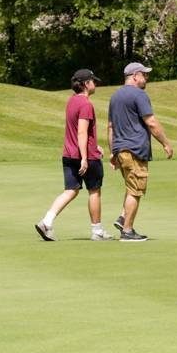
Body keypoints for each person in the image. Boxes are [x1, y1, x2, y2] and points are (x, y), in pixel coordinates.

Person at [34, 69, 113, 242]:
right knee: (94, 190)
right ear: (86, 84)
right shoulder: (86, 104)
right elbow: (82, 132)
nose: (95, 84)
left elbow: (79, 131)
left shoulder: (71, 101)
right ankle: (97, 231)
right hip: (85, 157)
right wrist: (85, 157)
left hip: (69, 154)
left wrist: (95, 145)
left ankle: (47, 222)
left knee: (70, 190)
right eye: (93, 81)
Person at [108, 62, 173, 241]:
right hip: (135, 150)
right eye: (144, 75)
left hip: (121, 150)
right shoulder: (139, 94)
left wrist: (113, 151)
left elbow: (111, 127)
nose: (146, 78)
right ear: (135, 75)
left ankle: (123, 219)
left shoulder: (115, 96)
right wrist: (166, 143)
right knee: (136, 190)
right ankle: (127, 231)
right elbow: (151, 122)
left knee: (131, 188)